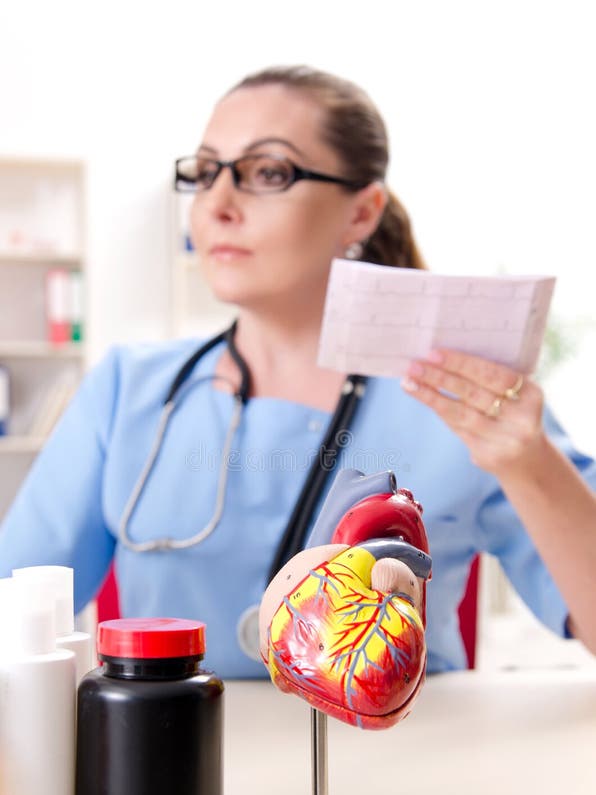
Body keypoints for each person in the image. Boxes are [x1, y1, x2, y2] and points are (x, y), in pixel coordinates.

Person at [1, 65, 595, 678]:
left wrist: (532, 467)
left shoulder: (468, 401)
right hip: (177, 755)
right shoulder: (127, 390)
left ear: (362, 213)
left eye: (268, 172)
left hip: (407, 759)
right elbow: (12, 619)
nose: (218, 206)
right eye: (205, 174)